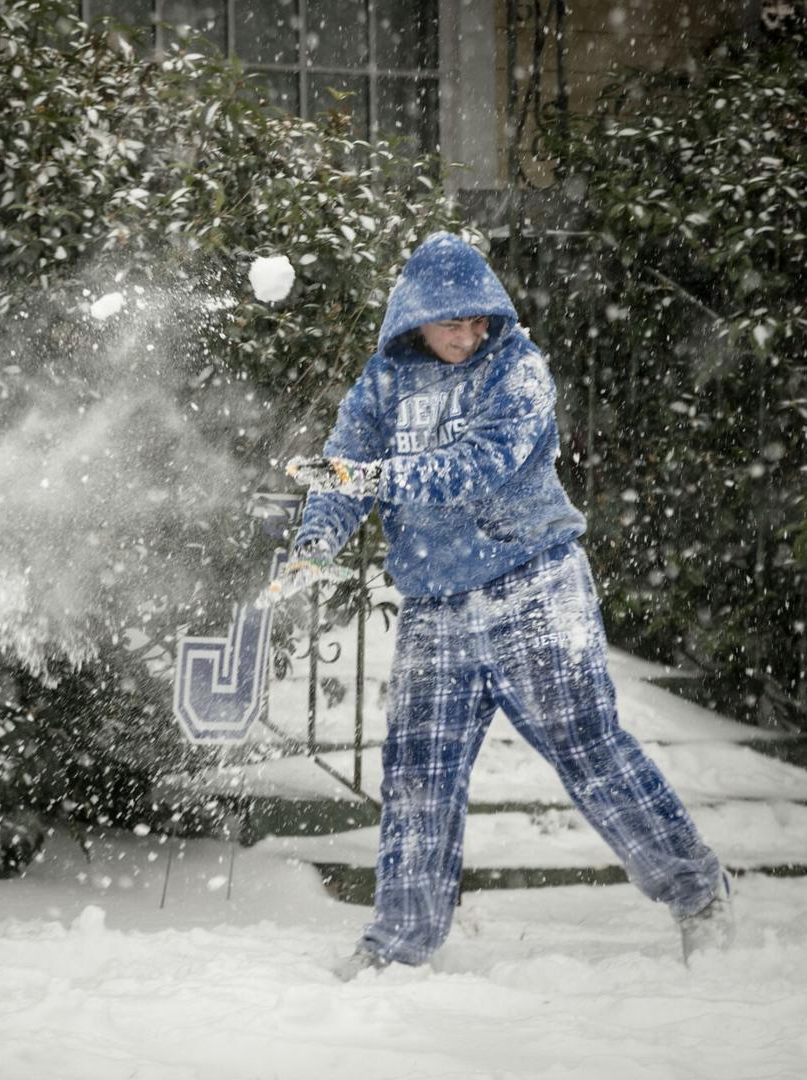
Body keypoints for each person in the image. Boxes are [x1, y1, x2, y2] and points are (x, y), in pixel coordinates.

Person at [263, 232, 732, 974]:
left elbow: (471, 468)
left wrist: (363, 479)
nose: (469, 332)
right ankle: (400, 942)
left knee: (588, 750)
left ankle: (697, 891)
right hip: (434, 605)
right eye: (453, 320)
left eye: (480, 319)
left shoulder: (518, 368)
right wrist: (315, 542)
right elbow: (341, 470)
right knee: (418, 773)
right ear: (416, 317)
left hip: (534, 585)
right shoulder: (382, 383)